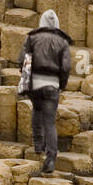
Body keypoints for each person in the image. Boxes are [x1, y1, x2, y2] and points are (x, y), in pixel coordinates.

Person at [18, 10, 71, 174]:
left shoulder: (32, 38)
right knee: (49, 122)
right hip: (52, 85)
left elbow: (21, 60)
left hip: (35, 84)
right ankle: (50, 159)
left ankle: (38, 145)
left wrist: (27, 80)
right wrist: (61, 85)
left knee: (37, 110)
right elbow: (66, 67)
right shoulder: (62, 42)